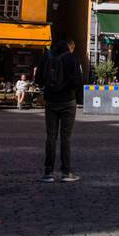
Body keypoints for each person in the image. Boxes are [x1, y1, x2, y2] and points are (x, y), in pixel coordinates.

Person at [38, 38, 83, 182]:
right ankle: (66, 172)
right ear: (70, 47)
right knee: (65, 137)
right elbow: (77, 81)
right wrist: (79, 98)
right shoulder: (71, 58)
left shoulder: (47, 56)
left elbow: (38, 78)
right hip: (68, 101)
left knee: (50, 137)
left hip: (51, 101)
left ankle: (48, 173)